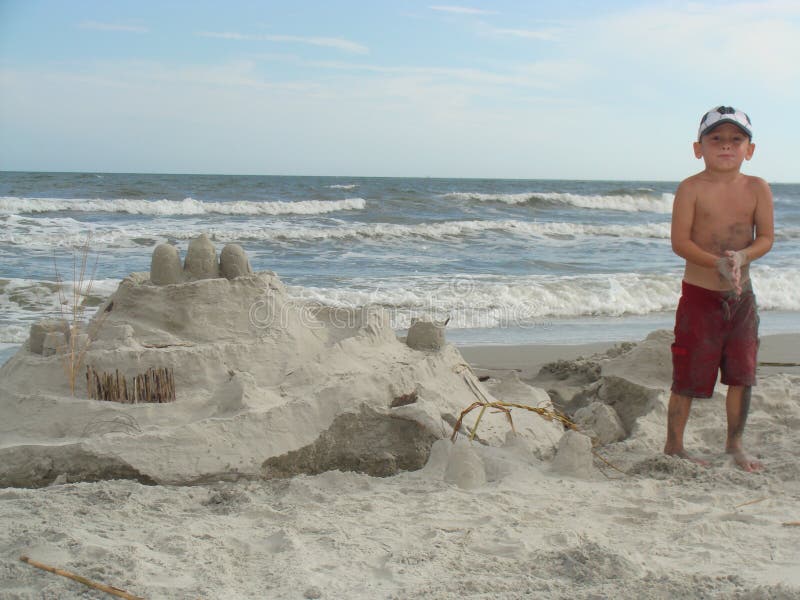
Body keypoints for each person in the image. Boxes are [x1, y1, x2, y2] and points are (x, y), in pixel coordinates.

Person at [663, 105, 774, 472]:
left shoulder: (757, 188)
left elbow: (766, 238)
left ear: (749, 150)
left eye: (736, 140)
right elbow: (680, 242)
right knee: (688, 374)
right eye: (716, 139)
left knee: (743, 373)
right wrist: (717, 263)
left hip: (742, 298)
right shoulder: (691, 188)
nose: (726, 146)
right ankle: (674, 446)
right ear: (699, 148)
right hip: (700, 296)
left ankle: (734, 445)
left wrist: (742, 257)